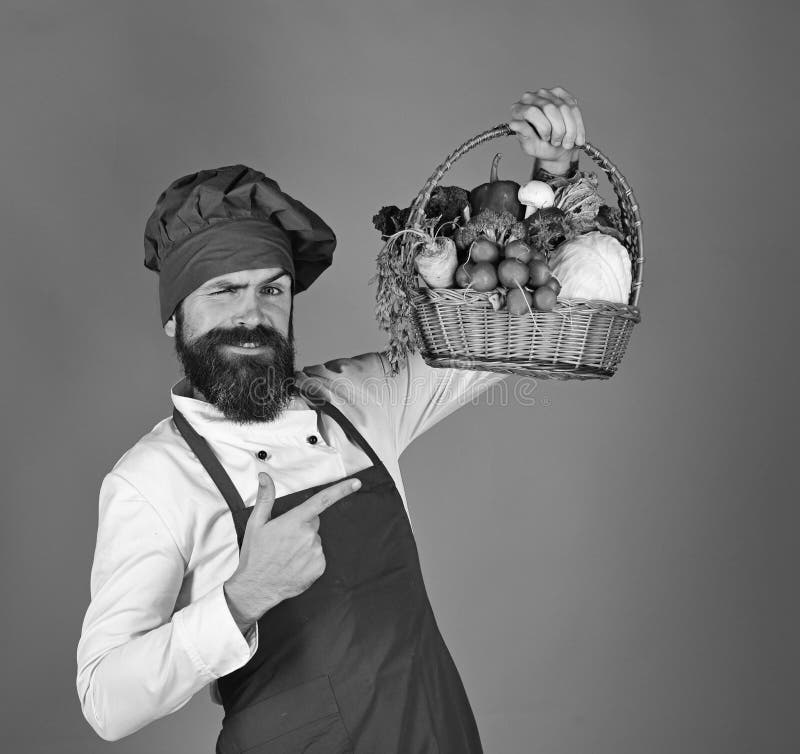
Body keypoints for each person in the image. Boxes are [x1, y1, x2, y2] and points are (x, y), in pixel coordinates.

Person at [77, 87, 587, 752]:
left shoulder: (358, 399)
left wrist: (552, 182)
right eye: (222, 290)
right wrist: (240, 597)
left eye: (271, 289)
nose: (251, 314)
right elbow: (104, 701)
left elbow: (505, 333)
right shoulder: (154, 478)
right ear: (175, 315)